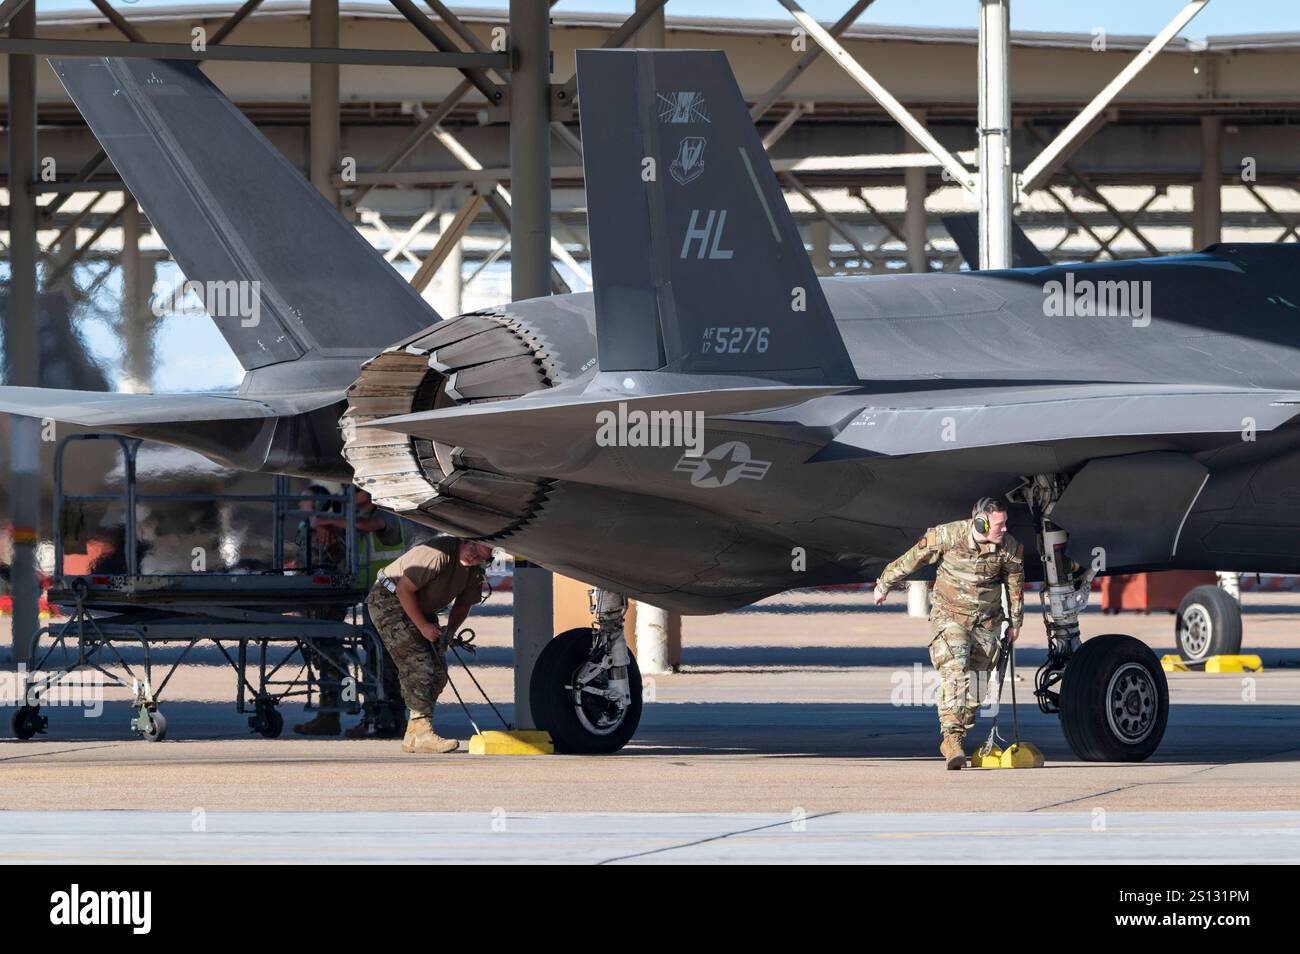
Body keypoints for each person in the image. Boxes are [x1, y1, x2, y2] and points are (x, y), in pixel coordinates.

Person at [872, 497, 1025, 770]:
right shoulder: (948, 535)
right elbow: (912, 559)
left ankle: (958, 734)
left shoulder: (1008, 548)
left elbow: (1014, 586)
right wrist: (884, 583)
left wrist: (1015, 623)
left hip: (987, 623)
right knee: (956, 674)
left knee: (977, 686)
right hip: (950, 618)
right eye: (999, 524)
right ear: (981, 521)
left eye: (1005, 523)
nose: (1004, 529)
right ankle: (951, 741)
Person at [366, 536, 494, 754]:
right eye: (473, 549)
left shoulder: (474, 571)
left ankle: (414, 733)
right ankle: (423, 732)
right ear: (466, 540)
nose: (473, 557)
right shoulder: (439, 553)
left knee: (437, 672)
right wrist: (424, 627)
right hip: (389, 600)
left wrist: (450, 630)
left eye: (481, 558)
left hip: (420, 608)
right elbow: (404, 590)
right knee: (420, 665)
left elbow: (463, 604)